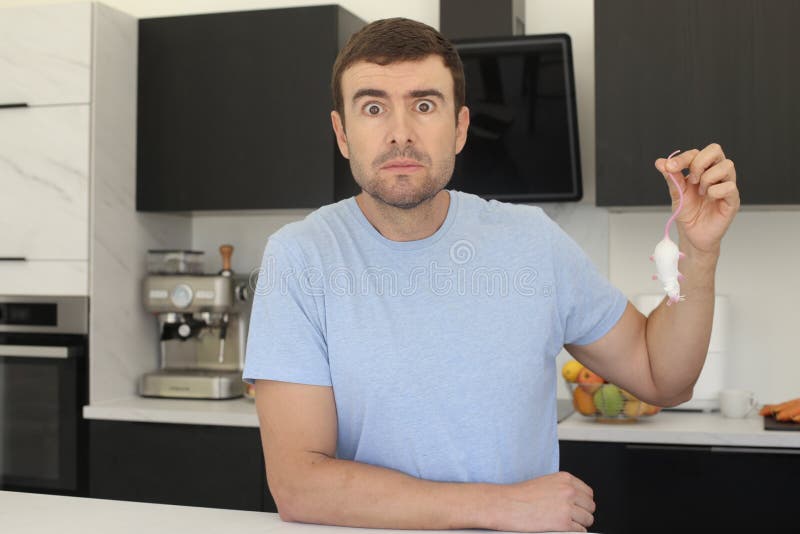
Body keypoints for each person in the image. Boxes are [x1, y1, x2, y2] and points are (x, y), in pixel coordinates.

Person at [243, 17, 740, 533]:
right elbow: (300, 485)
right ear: (342, 133)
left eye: (424, 105)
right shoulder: (300, 259)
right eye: (373, 108)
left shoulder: (533, 241)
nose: (400, 133)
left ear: (460, 128)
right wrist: (499, 507)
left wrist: (698, 256)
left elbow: (665, 378)